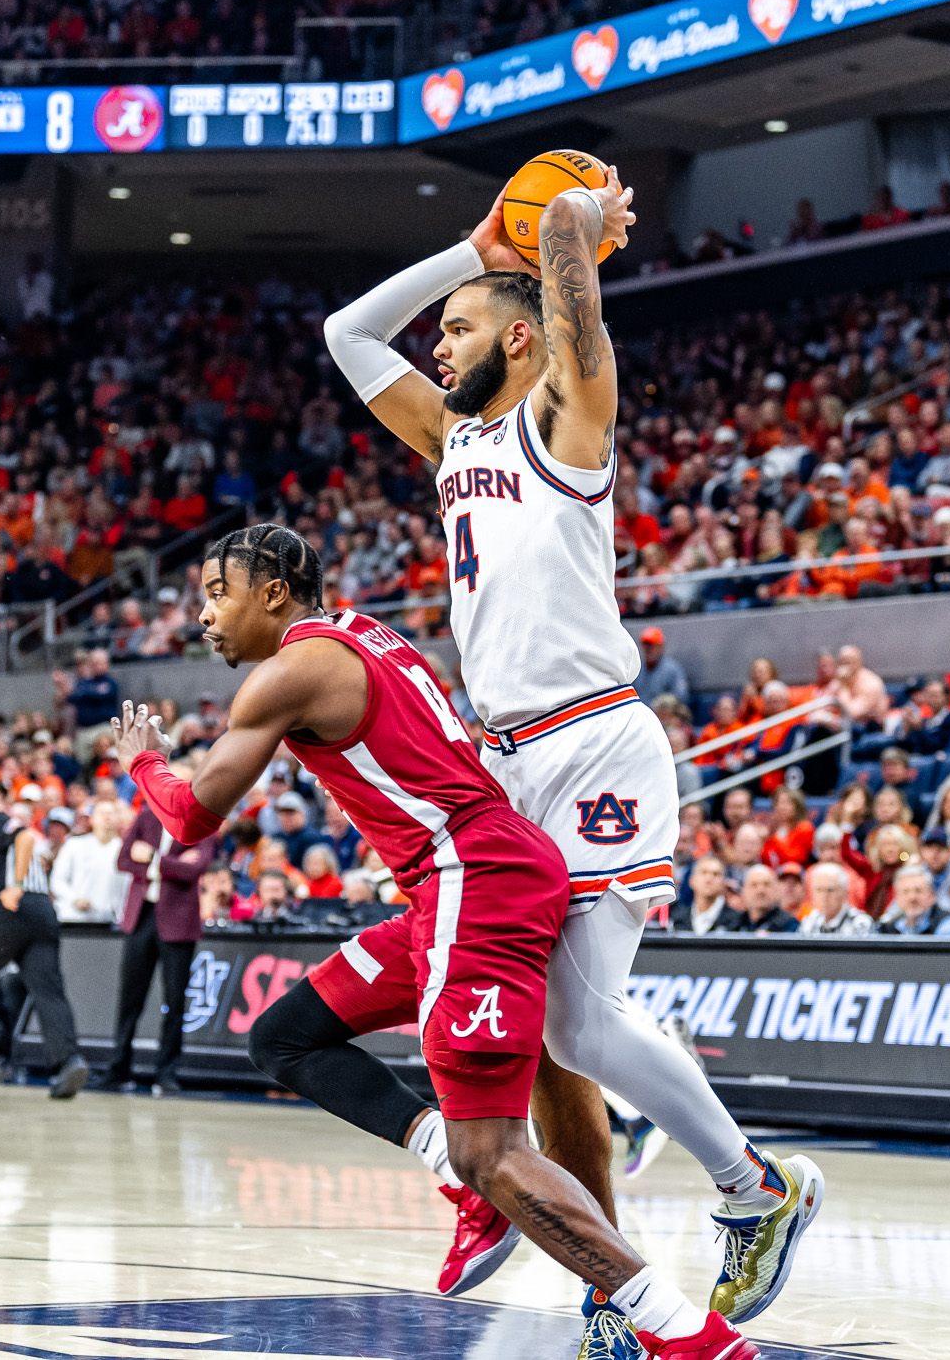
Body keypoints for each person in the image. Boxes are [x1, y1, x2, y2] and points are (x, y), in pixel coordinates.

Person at [323, 175, 818, 1347]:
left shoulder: (567, 419)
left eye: (454, 329)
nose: (435, 346)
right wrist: (468, 247)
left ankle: (759, 1191)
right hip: (504, 763)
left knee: (580, 1026)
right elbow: (346, 333)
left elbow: (564, 286)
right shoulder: (453, 442)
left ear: (517, 336)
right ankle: (615, 1283)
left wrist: (562, 228)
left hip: (591, 733)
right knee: (549, 1038)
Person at [113, 526, 771, 1360]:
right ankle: (456, 1166)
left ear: (273, 592)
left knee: (492, 1146)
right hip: (461, 878)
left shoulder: (289, 671)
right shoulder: (365, 631)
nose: (203, 615)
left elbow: (193, 813)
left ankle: (686, 1334)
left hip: (473, 875)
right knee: (283, 1036)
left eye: (216, 592)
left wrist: (142, 764)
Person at [0, 778, 90, 1099]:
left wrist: (15, 884)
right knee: (48, 991)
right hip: (42, 910)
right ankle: (68, 1061)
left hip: (13, 911)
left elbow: (26, 840)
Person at [106, 793, 219, 1094]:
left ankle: (166, 1071)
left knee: (175, 1001)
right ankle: (119, 1067)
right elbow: (125, 858)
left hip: (178, 923)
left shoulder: (202, 824)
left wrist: (154, 861)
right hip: (141, 917)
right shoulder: (146, 817)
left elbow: (195, 869)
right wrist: (172, 864)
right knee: (130, 997)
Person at [50, 798, 126, 923]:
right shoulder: (74, 845)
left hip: (111, 922)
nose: (107, 816)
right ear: (92, 818)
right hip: (75, 919)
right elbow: (57, 880)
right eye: (102, 812)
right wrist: (74, 899)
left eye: (111, 813)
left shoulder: (123, 850)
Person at [878, 863, 950, 936]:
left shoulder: (949, 927)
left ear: (932, 895)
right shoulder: (888, 926)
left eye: (918, 891)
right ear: (897, 897)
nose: (912, 897)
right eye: (905, 892)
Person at [796, 862, 873, 936]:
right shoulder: (809, 922)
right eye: (819, 890)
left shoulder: (860, 923)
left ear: (845, 893)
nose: (824, 896)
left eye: (830, 890)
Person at [633, 625, 691, 706]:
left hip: (663, 716)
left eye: (652, 645)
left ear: (661, 647)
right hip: (641, 715)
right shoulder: (637, 670)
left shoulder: (672, 669)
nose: (648, 649)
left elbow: (680, 698)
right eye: (646, 645)